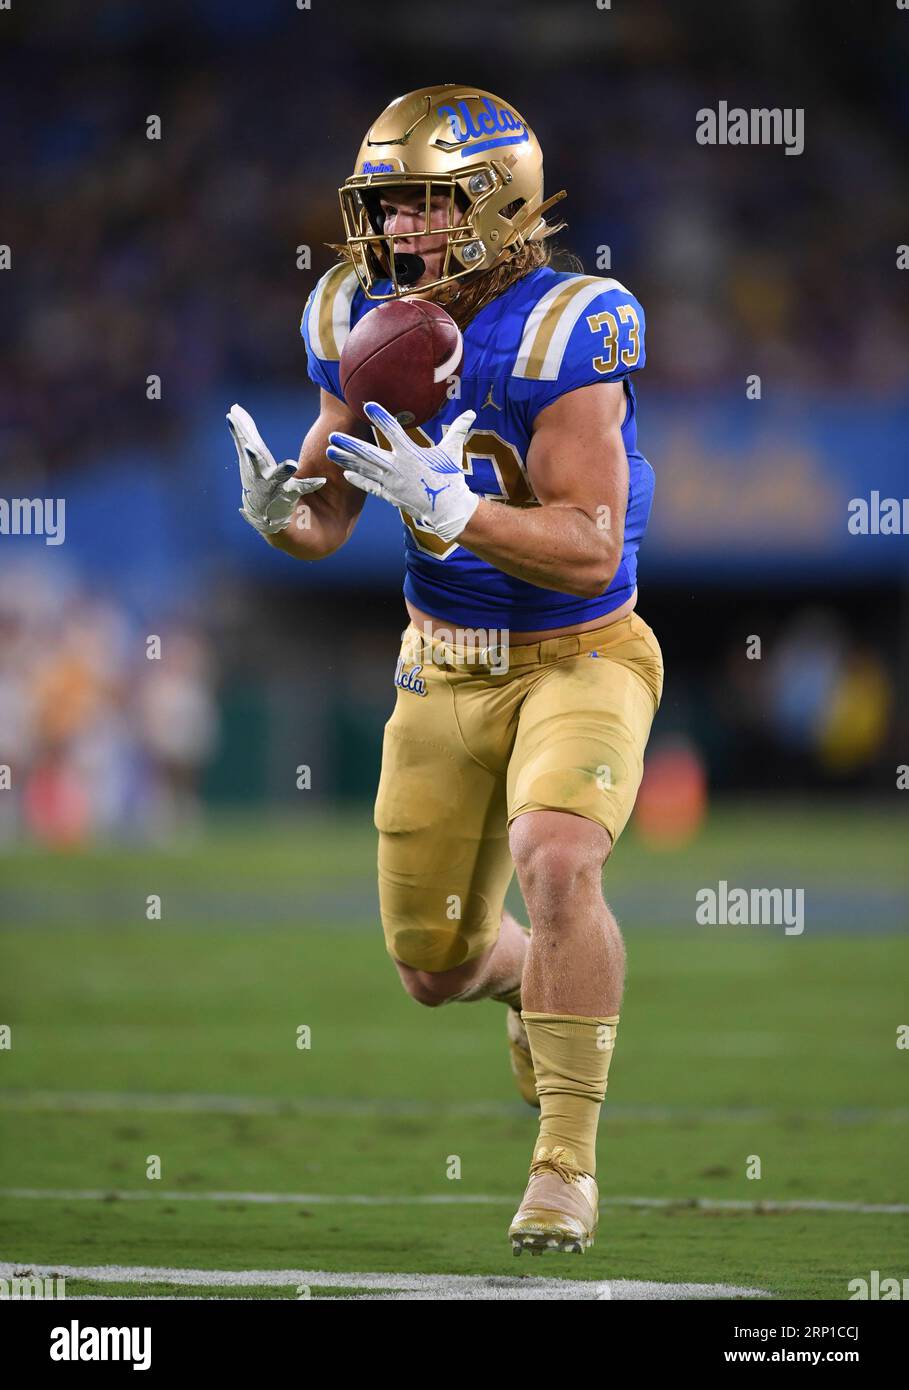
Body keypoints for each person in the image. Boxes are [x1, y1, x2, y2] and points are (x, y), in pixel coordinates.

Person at [228, 84, 663, 1256]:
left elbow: (590, 548)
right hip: (440, 662)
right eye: (385, 206)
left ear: (500, 205)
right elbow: (327, 520)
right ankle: (528, 983)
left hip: (581, 652)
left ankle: (564, 1166)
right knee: (434, 966)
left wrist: (462, 511)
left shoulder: (568, 324)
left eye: (425, 204)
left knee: (558, 856)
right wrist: (281, 512)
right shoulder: (355, 314)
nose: (398, 229)